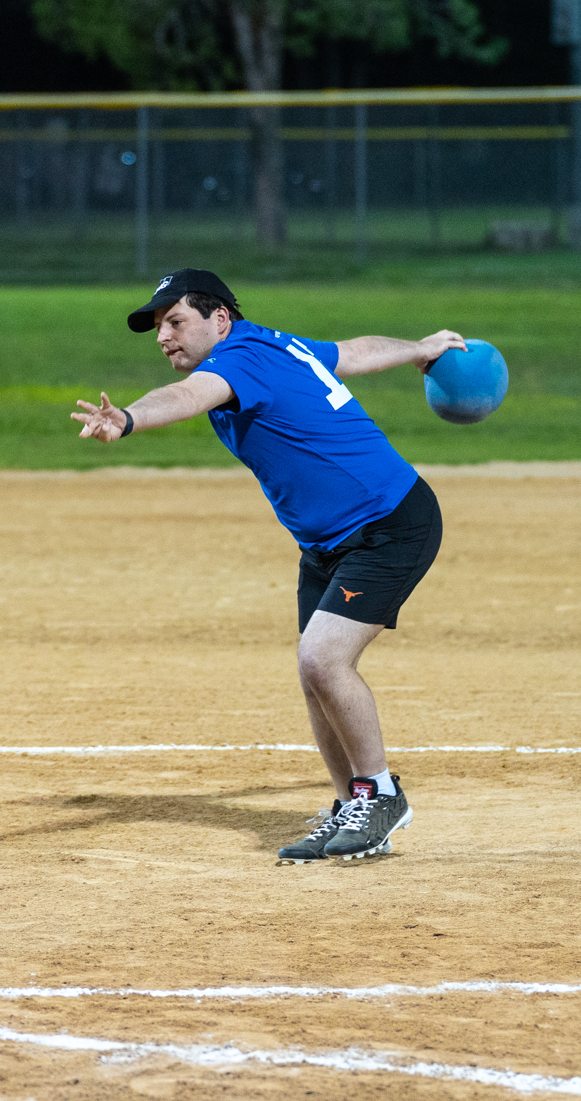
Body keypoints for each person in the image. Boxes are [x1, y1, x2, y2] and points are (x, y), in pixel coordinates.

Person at [71, 270, 465, 864]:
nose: (163, 337)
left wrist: (128, 417)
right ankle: (349, 808)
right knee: (316, 675)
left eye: (175, 321)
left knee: (322, 659)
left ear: (219, 319)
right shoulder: (278, 345)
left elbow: (182, 398)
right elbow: (353, 353)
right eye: (158, 327)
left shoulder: (239, 361)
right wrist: (420, 349)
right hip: (329, 541)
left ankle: (381, 794)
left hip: (387, 527)